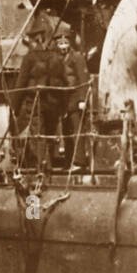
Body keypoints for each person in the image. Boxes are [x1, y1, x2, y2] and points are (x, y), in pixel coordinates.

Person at [12, 28, 66, 168]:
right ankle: (50, 162)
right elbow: (62, 80)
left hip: (36, 100)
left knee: (38, 133)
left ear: (35, 40)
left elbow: (21, 83)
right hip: (53, 102)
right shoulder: (56, 57)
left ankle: (42, 168)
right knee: (49, 132)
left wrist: (14, 107)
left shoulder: (29, 58)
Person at [55, 29, 89, 168]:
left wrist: (82, 99)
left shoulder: (77, 57)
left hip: (75, 97)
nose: (63, 46)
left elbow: (83, 78)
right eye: (60, 43)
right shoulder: (56, 59)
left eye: (65, 43)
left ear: (69, 43)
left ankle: (79, 161)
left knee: (77, 129)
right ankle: (69, 160)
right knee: (66, 130)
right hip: (63, 100)